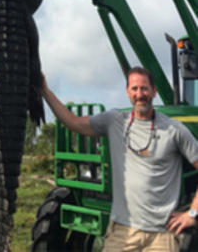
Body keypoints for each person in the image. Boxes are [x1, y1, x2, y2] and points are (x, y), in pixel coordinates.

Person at [41, 68, 198, 251]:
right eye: (134, 89)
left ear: (154, 91)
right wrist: (45, 90)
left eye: (144, 88)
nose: (140, 94)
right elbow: (73, 122)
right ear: (127, 92)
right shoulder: (114, 121)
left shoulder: (174, 129)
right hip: (123, 231)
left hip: (162, 235)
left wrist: (192, 213)